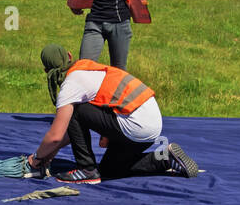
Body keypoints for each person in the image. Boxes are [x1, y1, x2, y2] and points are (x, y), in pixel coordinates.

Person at [26, 57, 199, 184]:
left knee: (76, 111)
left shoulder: (70, 85)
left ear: (47, 72)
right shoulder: (91, 69)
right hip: (151, 125)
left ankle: (87, 170)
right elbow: (78, 129)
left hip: (134, 125)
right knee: (109, 169)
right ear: (70, 56)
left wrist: (36, 158)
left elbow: (57, 135)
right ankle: (165, 159)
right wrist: (52, 151)